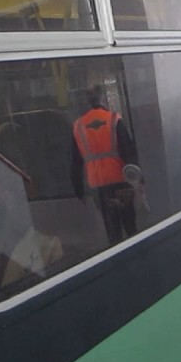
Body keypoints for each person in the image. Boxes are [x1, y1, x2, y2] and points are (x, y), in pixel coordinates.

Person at [70, 86, 139, 244]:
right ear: (102, 100)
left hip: (99, 186)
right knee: (130, 226)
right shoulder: (114, 120)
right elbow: (129, 152)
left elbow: (75, 162)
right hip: (122, 181)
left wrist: (79, 191)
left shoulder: (78, 126)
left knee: (112, 230)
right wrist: (139, 181)